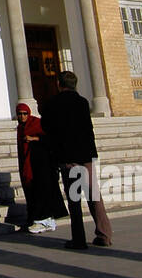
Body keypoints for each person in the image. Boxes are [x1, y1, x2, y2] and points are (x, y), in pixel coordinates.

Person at [43, 71, 114, 249]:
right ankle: (104, 234)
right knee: (94, 195)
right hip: (86, 156)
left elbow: (47, 129)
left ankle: (79, 239)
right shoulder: (83, 102)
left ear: (59, 84)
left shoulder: (53, 104)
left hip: (68, 158)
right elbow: (88, 129)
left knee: (74, 199)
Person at [15, 103, 63, 234]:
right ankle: (35, 219)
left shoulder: (37, 123)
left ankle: (43, 220)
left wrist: (34, 138)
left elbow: (48, 138)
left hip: (41, 164)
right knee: (32, 192)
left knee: (41, 192)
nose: (22, 116)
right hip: (29, 165)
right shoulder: (20, 128)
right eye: (20, 114)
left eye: (25, 113)